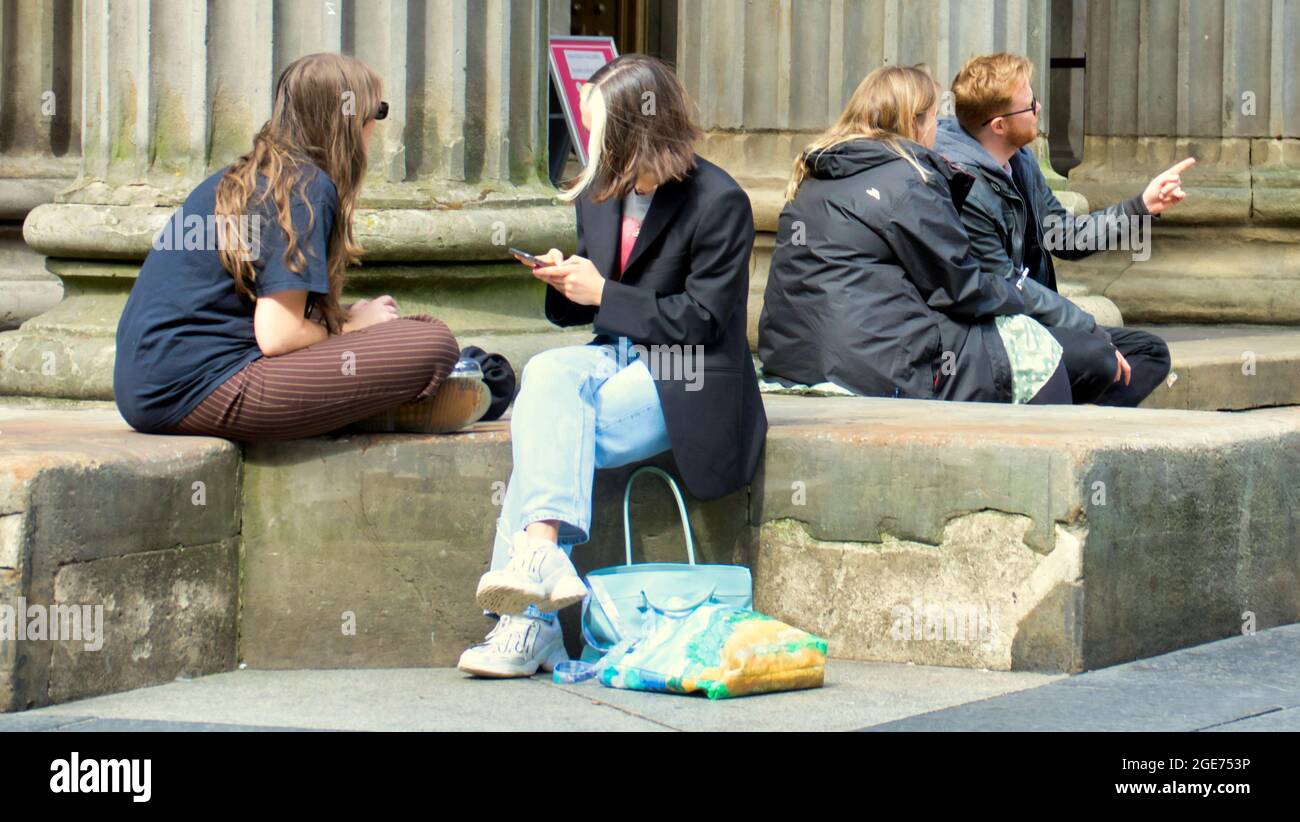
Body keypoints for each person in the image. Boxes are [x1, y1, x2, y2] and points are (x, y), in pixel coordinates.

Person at [457, 54, 767, 678]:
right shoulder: (601, 193)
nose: (588, 139)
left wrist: (604, 293)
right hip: (613, 354)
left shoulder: (720, 201)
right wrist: (567, 280)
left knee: (551, 434)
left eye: (597, 127)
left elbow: (703, 321)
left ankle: (529, 622)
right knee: (547, 373)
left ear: (635, 131)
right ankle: (543, 561)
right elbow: (595, 305)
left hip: (687, 371)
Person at [114, 52, 472, 440]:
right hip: (200, 389)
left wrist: (344, 321)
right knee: (432, 340)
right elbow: (279, 336)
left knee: (404, 333)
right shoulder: (304, 187)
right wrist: (350, 327)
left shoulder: (250, 176)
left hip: (151, 390)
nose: (376, 125)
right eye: (377, 111)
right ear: (349, 121)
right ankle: (394, 405)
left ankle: (399, 400)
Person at [759, 64, 1071, 405]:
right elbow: (960, 287)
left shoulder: (813, 175)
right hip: (869, 371)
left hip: (793, 362)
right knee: (1038, 353)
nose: (939, 129)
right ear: (915, 122)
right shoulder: (907, 180)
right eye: (935, 117)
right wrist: (1017, 295)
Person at [936, 52, 1186, 406]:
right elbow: (1007, 285)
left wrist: (1141, 206)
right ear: (999, 125)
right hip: (996, 331)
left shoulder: (1020, 161)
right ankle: (1064, 424)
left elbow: (1064, 236)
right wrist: (1086, 326)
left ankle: (1083, 424)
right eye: (1029, 105)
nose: (1038, 108)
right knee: (1098, 355)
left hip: (1032, 318)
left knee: (1150, 352)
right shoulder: (967, 186)